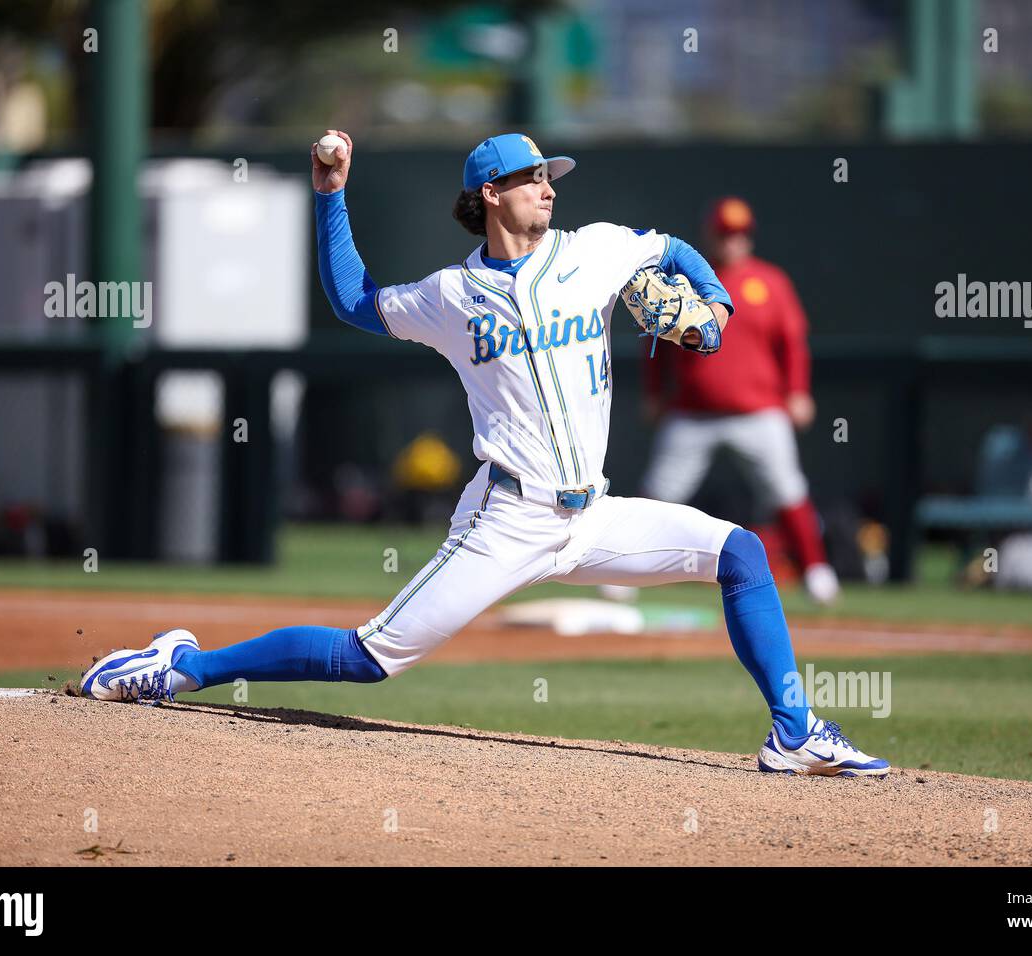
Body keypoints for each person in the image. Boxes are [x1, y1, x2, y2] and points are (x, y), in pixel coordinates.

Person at [78, 132, 887, 777]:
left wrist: (711, 306)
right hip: (505, 518)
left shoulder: (594, 250)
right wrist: (331, 197)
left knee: (740, 553)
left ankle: (795, 733)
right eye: (533, 176)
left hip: (591, 515)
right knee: (369, 660)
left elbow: (673, 249)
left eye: (551, 175)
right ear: (490, 194)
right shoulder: (450, 296)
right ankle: (182, 665)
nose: (550, 187)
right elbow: (354, 300)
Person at [640, 196, 841, 605]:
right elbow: (658, 339)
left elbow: (792, 345)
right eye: (725, 233)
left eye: (740, 234)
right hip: (693, 412)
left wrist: (798, 391)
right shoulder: (684, 281)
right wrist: (655, 393)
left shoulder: (770, 282)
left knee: (787, 491)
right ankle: (627, 575)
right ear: (709, 234)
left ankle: (817, 573)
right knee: (658, 495)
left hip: (758, 410)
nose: (733, 242)